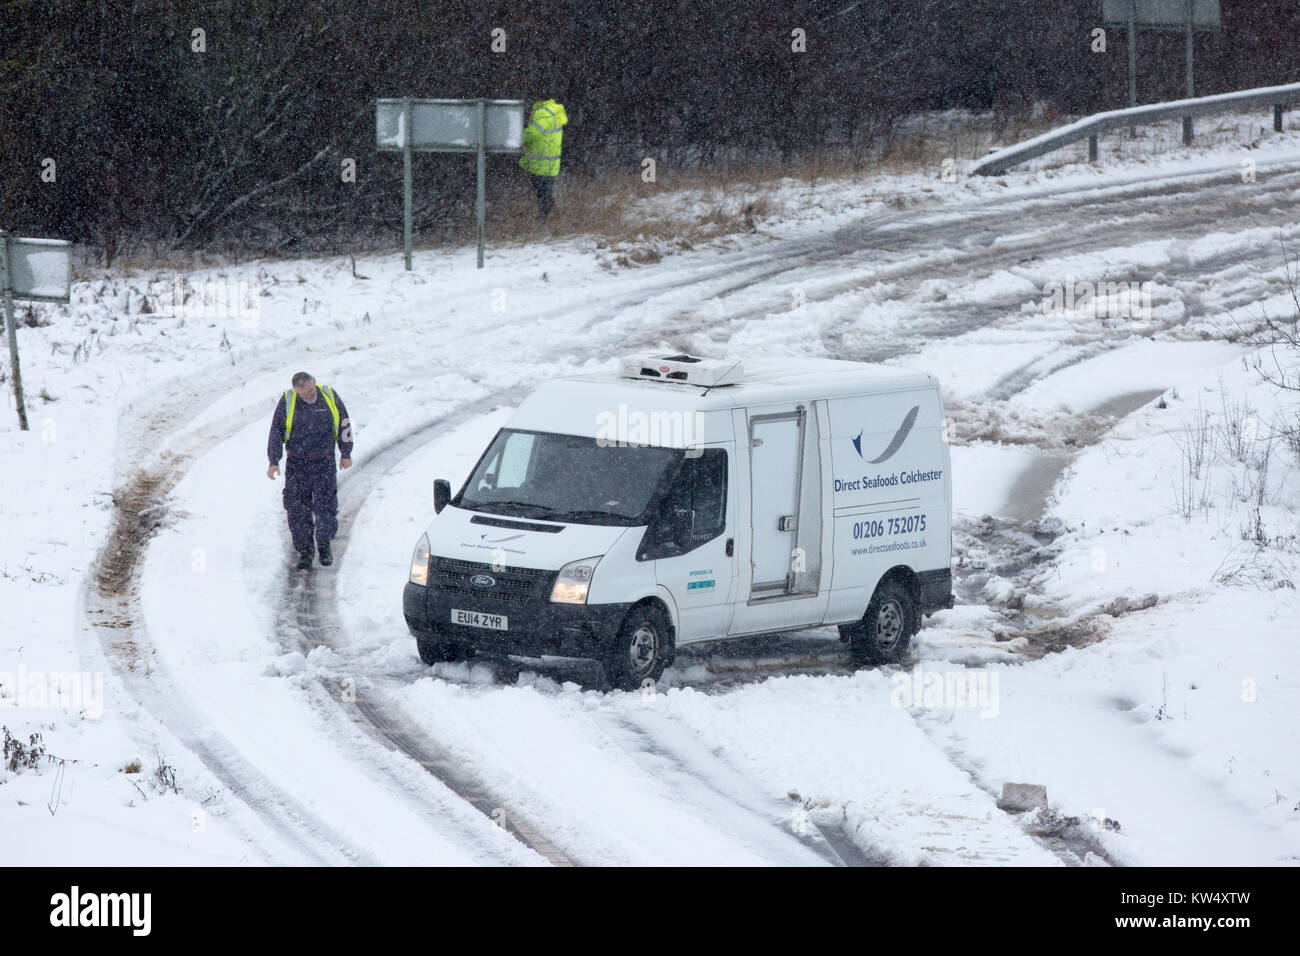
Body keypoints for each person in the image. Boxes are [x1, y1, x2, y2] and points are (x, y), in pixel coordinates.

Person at [266, 372, 353, 569]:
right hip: (297, 465)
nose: (308, 395)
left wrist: (346, 453)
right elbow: (275, 432)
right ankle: (305, 552)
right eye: (303, 393)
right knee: (297, 510)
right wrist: (274, 461)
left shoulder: (329, 396)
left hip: (324, 462)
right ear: (296, 391)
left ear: (315, 382)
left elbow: (345, 424)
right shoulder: (288, 401)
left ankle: (324, 545)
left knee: (325, 507)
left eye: (310, 391)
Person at [518, 98, 567, 219]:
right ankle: (550, 216)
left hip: (539, 163)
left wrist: (517, 138)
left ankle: (545, 217)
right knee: (545, 191)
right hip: (550, 162)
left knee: (542, 192)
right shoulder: (554, 111)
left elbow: (532, 134)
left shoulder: (543, 113)